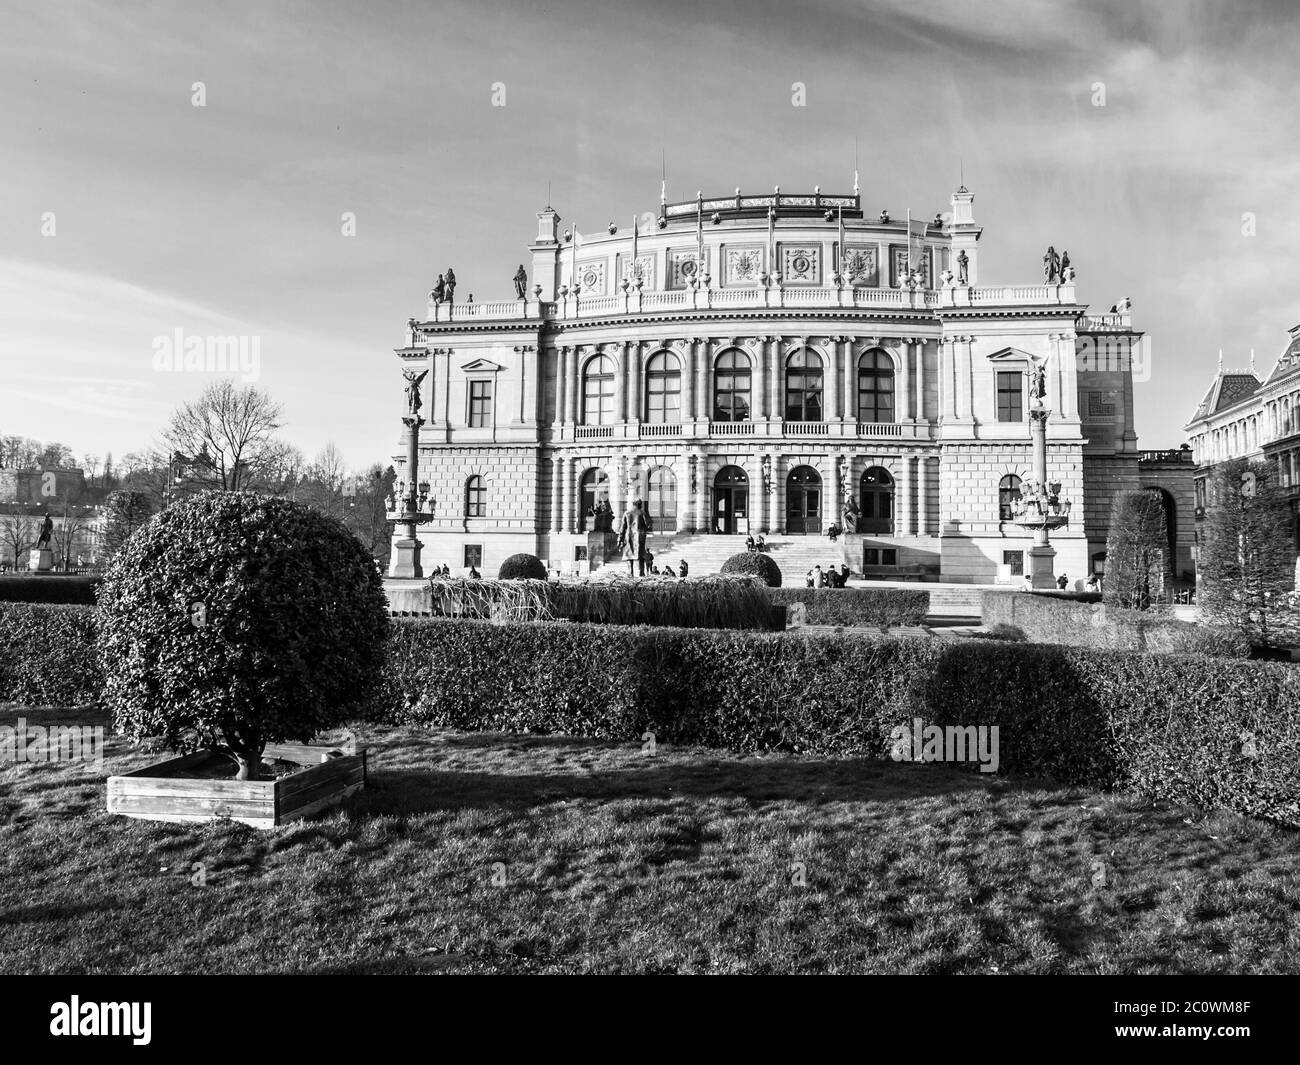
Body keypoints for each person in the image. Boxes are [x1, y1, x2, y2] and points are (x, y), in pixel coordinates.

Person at [617, 498, 653, 577]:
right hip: (639, 536)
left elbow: (622, 528)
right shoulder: (642, 513)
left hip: (628, 536)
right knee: (640, 555)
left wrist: (619, 539)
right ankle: (641, 573)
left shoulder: (627, 513)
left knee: (629, 555)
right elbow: (648, 525)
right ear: (639, 504)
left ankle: (631, 573)